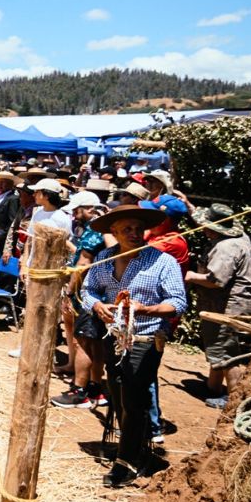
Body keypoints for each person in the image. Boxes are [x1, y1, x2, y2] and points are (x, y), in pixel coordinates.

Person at [82, 205, 187, 487]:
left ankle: (127, 461)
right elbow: (87, 290)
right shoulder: (103, 258)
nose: (134, 233)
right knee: (115, 390)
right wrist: (97, 305)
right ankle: (133, 445)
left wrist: (146, 309)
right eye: (127, 229)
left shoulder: (163, 262)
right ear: (113, 232)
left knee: (134, 396)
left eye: (139, 229)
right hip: (113, 336)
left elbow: (178, 302)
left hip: (146, 338)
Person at [186, 203, 251, 409]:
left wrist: (191, 275)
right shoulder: (239, 237)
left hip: (227, 305)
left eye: (207, 225)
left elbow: (216, 280)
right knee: (216, 347)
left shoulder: (225, 247)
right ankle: (213, 388)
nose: (203, 228)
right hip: (228, 302)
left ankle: (233, 399)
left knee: (227, 352)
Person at [52, 191, 113, 408]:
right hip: (103, 293)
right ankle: (96, 388)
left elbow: (82, 265)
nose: (75, 216)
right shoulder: (104, 229)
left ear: (87, 209)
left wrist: (69, 291)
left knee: (84, 343)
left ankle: (79, 391)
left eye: (77, 211)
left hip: (88, 294)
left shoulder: (94, 231)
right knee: (96, 343)